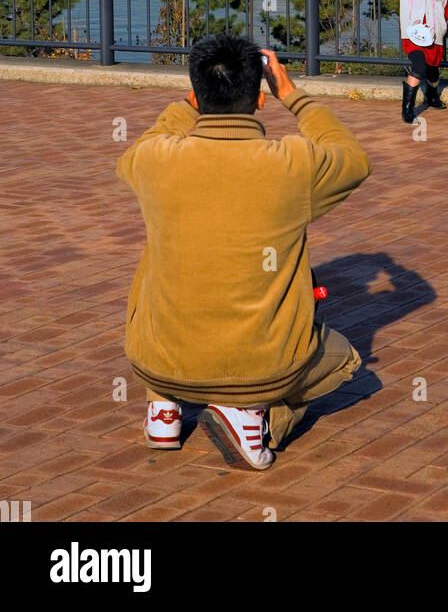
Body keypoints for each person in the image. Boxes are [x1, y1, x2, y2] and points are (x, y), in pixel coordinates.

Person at [116, 35, 370, 470]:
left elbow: (152, 137)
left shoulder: (153, 159)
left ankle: (164, 411)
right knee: (345, 360)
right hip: (261, 369)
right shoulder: (293, 163)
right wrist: (293, 94)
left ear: (196, 93)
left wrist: (189, 102)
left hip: (156, 360)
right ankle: (251, 417)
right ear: (260, 97)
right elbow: (352, 157)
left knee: (170, 273)